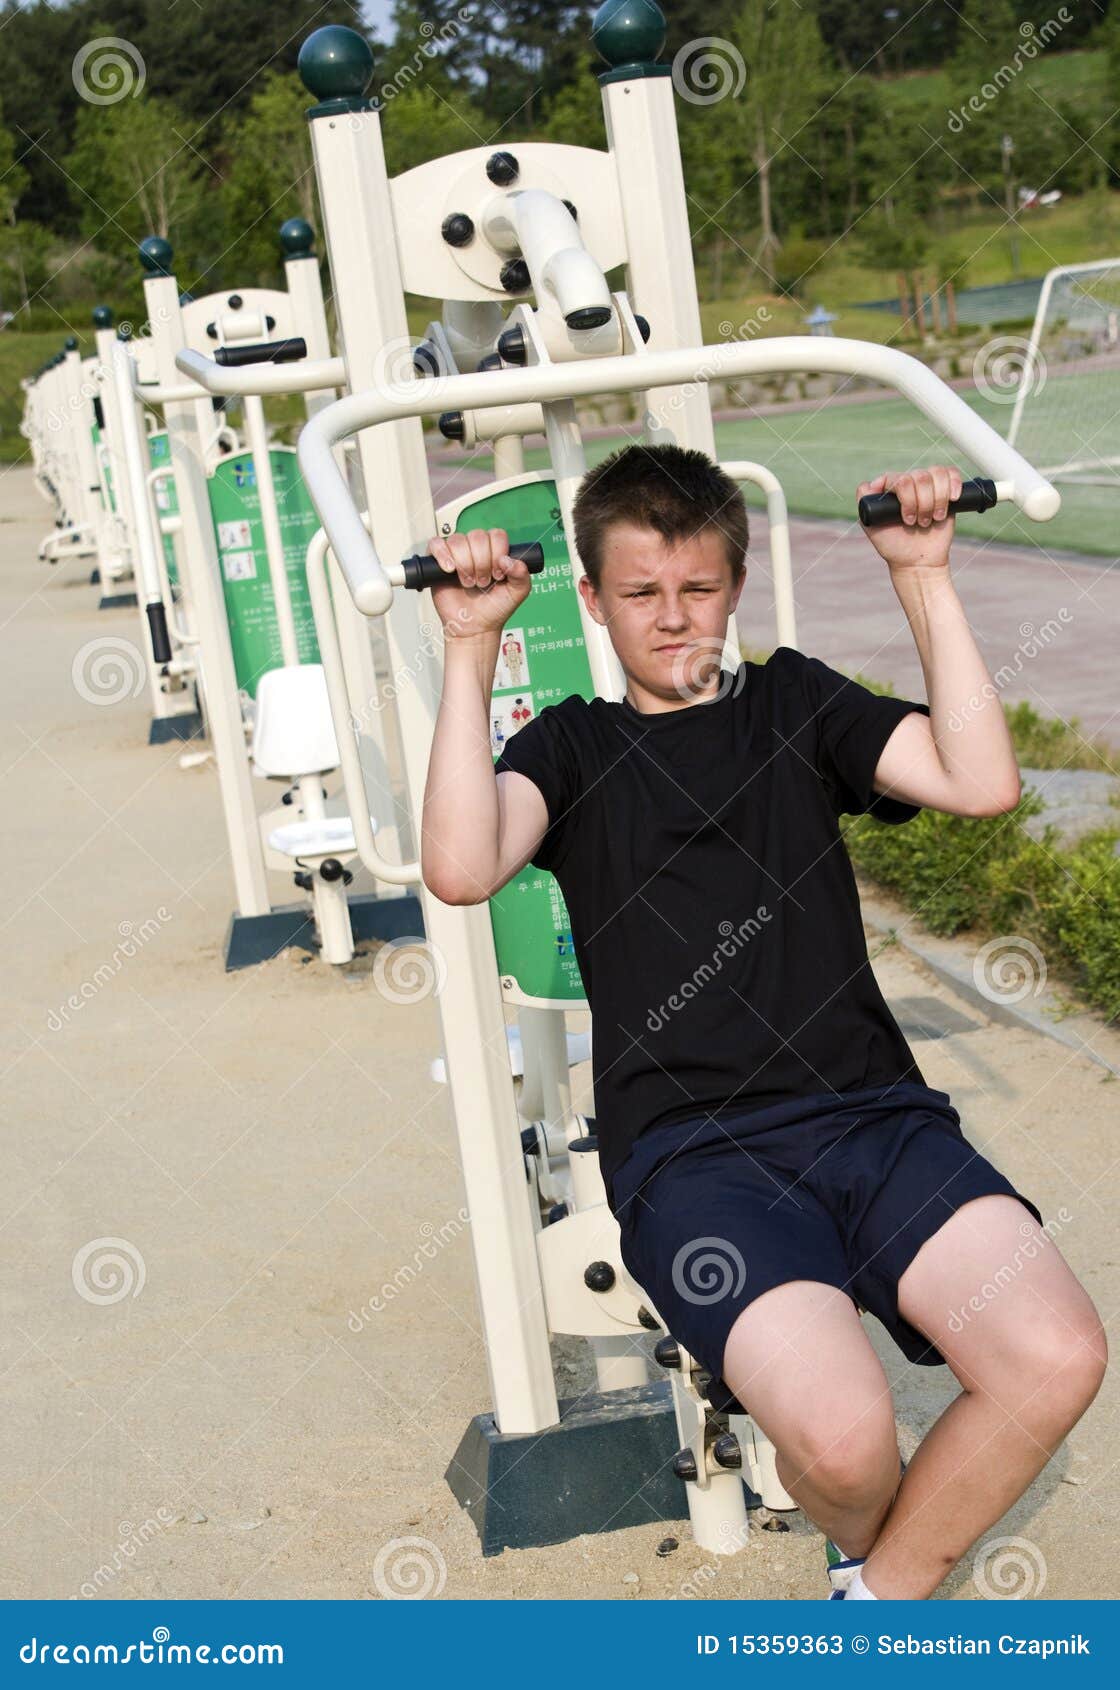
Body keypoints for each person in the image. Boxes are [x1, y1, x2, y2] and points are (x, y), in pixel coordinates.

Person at [419, 443, 1106, 1601]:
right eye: (640, 594)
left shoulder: (794, 702)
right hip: (697, 1159)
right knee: (842, 1449)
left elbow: (981, 780)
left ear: (733, 585)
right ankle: (868, 1548)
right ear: (590, 597)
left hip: (874, 1120)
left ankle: (870, 1600)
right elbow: (457, 865)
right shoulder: (573, 749)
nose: (673, 620)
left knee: (1055, 1358)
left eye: (697, 590)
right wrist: (469, 644)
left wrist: (923, 572)